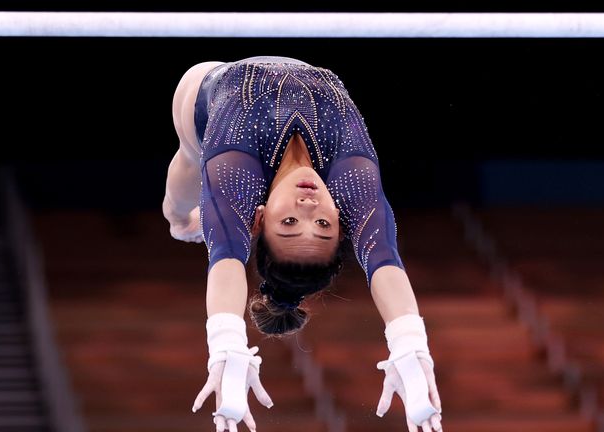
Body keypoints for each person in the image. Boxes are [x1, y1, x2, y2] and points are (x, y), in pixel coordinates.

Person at [163, 56, 444, 432]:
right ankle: (202, 220)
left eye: (290, 223)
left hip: (205, 98)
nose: (308, 206)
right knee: (216, 207)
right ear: (342, 223)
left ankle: (182, 222)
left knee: (189, 185)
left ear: (259, 219)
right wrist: (410, 343)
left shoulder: (237, 170)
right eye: (323, 224)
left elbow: (228, 259)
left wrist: (226, 343)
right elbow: (383, 260)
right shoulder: (352, 180)